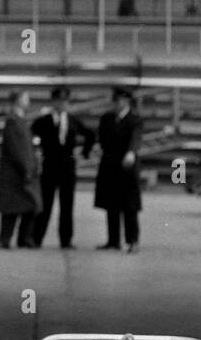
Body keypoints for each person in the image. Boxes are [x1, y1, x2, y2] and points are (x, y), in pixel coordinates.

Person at [30, 86, 95, 249]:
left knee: (67, 206)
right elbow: (30, 135)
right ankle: (37, 238)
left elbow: (90, 134)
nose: (62, 104)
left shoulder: (73, 121)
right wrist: (36, 152)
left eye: (65, 101)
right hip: (49, 166)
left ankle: (66, 240)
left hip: (67, 168)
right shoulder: (43, 121)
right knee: (45, 205)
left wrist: (84, 153)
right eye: (58, 101)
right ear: (53, 102)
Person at [95, 86, 143, 252]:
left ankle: (132, 241)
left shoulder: (135, 119)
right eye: (115, 101)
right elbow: (101, 139)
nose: (116, 104)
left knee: (130, 207)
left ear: (127, 101)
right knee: (111, 205)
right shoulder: (107, 118)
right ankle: (113, 241)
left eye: (120, 100)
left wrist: (131, 152)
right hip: (110, 166)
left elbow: (136, 139)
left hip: (127, 167)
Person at [0, 90, 41, 248]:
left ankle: (23, 238)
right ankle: (7, 238)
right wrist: (26, 167)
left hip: (23, 170)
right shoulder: (13, 121)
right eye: (25, 98)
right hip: (16, 172)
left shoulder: (20, 120)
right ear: (17, 101)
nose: (28, 101)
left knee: (28, 205)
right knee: (12, 208)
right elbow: (16, 148)